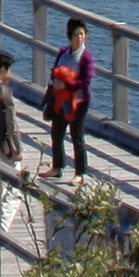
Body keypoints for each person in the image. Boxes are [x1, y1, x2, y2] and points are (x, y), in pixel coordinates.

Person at [42, 18, 96, 181]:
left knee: (76, 136)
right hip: (60, 99)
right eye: (75, 34)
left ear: (85, 36)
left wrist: (66, 85)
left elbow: (85, 82)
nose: (79, 37)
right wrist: (48, 96)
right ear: (69, 36)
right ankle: (57, 167)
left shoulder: (86, 57)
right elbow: (54, 74)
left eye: (82, 34)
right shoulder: (63, 52)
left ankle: (80, 173)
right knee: (56, 134)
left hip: (78, 102)